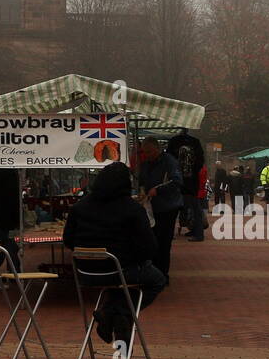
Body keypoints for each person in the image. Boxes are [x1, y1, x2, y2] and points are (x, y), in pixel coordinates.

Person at [63, 161, 166, 347]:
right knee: (157, 280)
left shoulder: (79, 207)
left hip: (84, 273)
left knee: (117, 286)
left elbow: (68, 240)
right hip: (119, 269)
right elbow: (150, 247)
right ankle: (117, 313)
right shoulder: (133, 209)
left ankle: (115, 314)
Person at [136, 137, 183, 280]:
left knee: (164, 241)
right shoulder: (145, 164)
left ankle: (162, 274)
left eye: (149, 152)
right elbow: (142, 181)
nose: (147, 155)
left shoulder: (169, 162)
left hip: (168, 207)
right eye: (145, 152)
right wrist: (142, 190)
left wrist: (157, 190)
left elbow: (177, 182)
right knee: (152, 239)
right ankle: (153, 271)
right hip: (151, 207)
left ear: (157, 148)